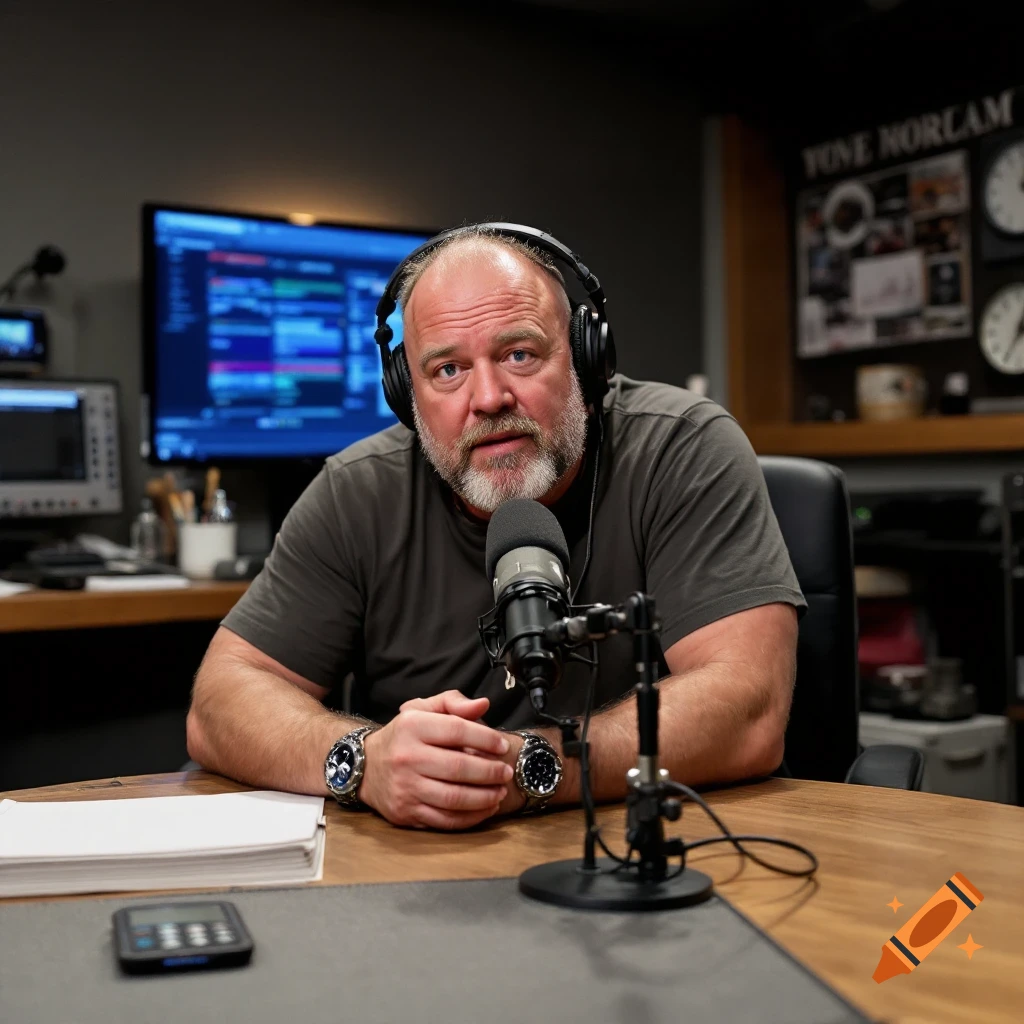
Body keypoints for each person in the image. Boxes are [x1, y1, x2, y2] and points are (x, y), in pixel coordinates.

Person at [186, 224, 805, 831]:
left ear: (587, 362)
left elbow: (747, 710)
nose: (487, 398)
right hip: (418, 878)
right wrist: (363, 759)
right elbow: (220, 704)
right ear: (408, 395)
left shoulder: (682, 449)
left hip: (646, 852)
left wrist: (530, 767)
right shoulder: (357, 491)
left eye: (518, 354)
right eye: (447, 370)